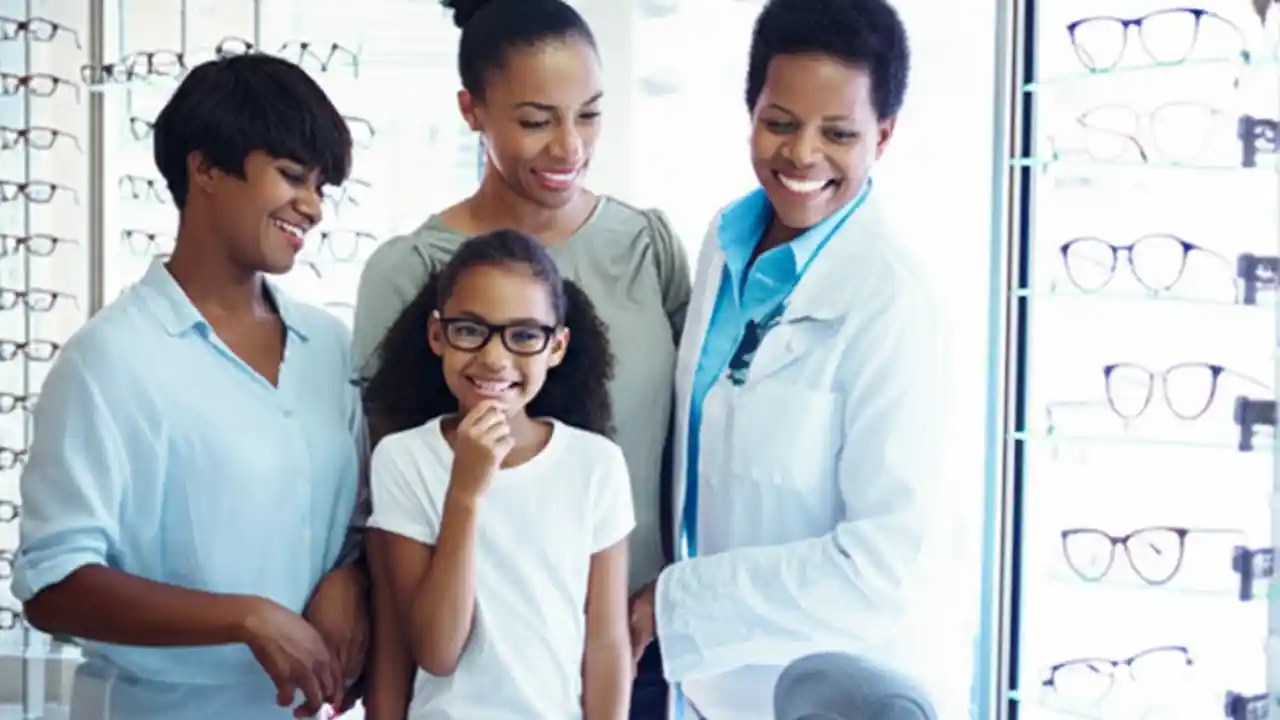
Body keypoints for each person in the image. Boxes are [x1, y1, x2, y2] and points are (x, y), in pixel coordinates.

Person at [352, 0, 690, 716]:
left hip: (632, 641)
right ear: (471, 110)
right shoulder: (410, 269)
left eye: (588, 115)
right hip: (461, 657)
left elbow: (689, 445)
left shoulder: (649, 247)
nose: (569, 147)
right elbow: (382, 503)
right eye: (537, 121)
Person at [11, 54, 369, 720]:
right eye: (292, 176)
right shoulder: (109, 360)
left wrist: (348, 575)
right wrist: (245, 617)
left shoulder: (329, 348)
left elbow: (352, 519)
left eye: (322, 186)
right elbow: (53, 586)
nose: (314, 207)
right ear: (204, 169)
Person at [628, 0, 958, 717]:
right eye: (779, 122)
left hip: (824, 696)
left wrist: (674, 604)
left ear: (884, 135)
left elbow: (878, 567)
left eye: (838, 133)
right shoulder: (724, 240)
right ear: (750, 110)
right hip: (703, 687)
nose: (802, 155)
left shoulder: (892, 302)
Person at [361, 230, 634, 718]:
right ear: (437, 335)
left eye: (525, 336)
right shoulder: (404, 459)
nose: (494, 358)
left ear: (557, 346)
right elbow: (435, 652)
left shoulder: (596, 464)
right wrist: (464, 494)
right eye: (470, 330)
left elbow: (607, 644)